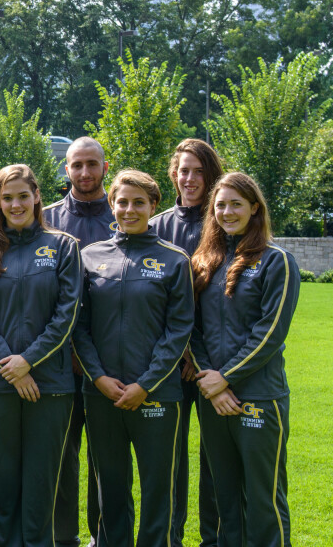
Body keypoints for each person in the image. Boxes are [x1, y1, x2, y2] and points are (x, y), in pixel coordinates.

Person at [74, 170, 195, 547]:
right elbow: (79, 326)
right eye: (122, 202)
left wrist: (147, 384)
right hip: (102, 394)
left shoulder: (175, 260)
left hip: (158, 394)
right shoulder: (89, 257)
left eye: (138, 202)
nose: (129, 209)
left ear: (153, 206)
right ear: (112, 204)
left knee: (160, 488)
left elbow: (179, 330)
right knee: (109, 486)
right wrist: (97, 377)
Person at [0, 164, 81, 547]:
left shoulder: (63, 246)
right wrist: (11, 367)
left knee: (42, 481)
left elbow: (67, 314)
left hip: (51, 384)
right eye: (6, 197)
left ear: (36, 197)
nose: (15, 204)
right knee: (1, 479)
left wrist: (28, 361)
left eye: (22, 195)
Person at [189, 173, 300, 547]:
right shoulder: (205, 261)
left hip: (259, 396)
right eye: (220, 204)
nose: (227, 211)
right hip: (213, 397)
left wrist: (227, 378)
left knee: (263, 496)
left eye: (236, 203)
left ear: (255, 208)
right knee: (223, 496)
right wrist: (211, 382)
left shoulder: (277, 261)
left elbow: (270, 334)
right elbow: (191, 328)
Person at [148, 138, 223, 547]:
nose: (188, 179)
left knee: (215, 460)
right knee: (170, 463)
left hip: (215, 364)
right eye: (182, 171)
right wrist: (178, 354)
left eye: (197, 171)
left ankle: (213, 539)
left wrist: (202, 357)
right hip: (170, 364)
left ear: (210, 174)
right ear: (172, 176)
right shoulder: (157, 225)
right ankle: (169, 539)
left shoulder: (226, 222)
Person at [44, 136, 113, 547]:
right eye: (76, 165)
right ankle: (62, 536)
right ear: (65, 169)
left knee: (105, 457)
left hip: (109, 362)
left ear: (104, 167)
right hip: (56, 361)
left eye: (92, 164)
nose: (84, 172)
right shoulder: (46, 219)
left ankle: (102, 536)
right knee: (60, 456)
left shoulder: (125, 213)